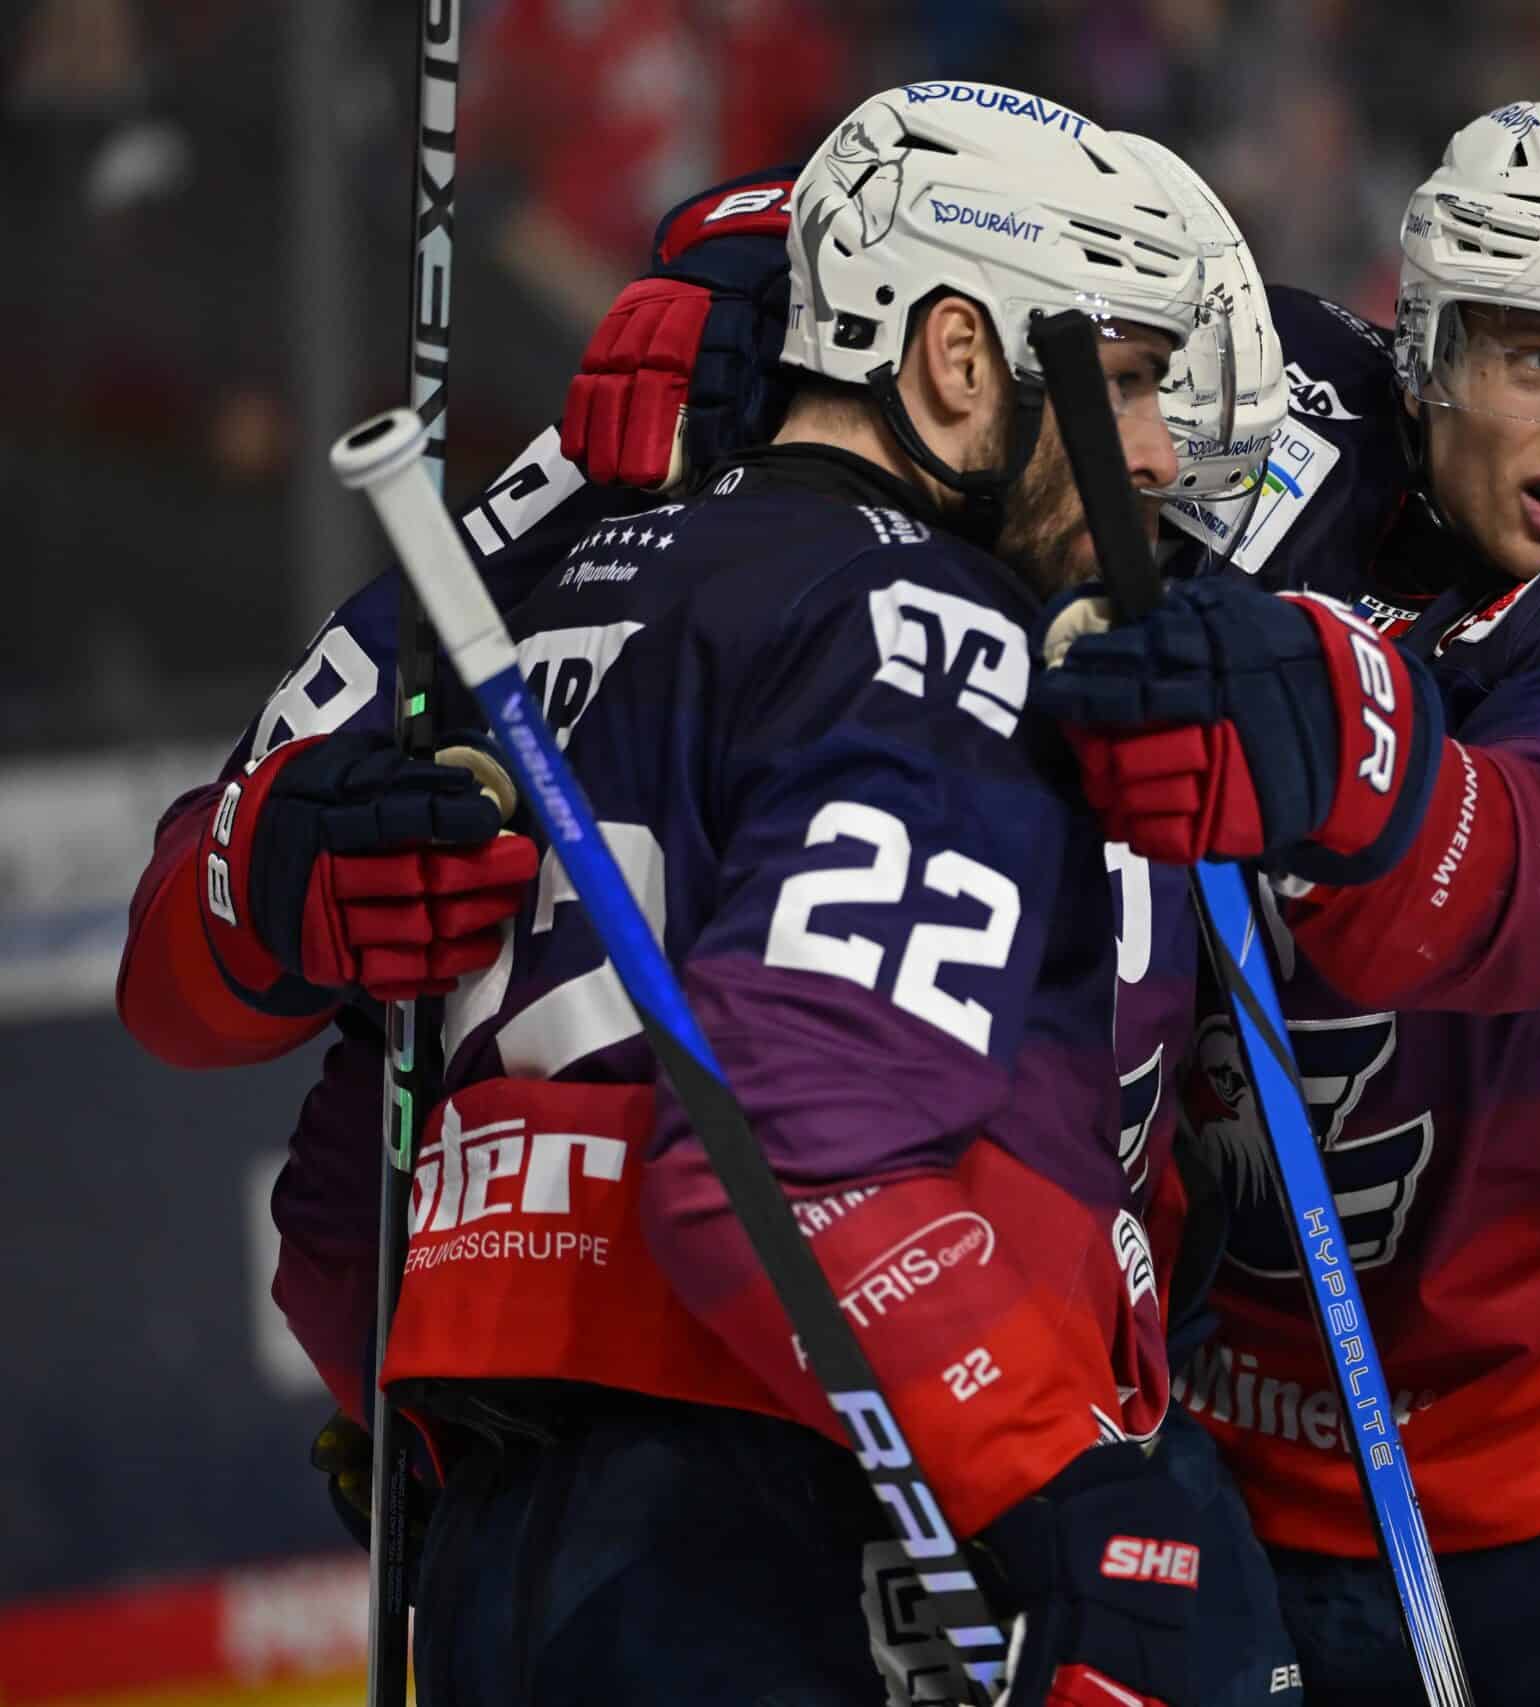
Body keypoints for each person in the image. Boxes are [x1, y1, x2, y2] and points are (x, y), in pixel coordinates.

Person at [122, 86, 1298, 1707]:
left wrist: (418, 1410)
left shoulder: (543, 613)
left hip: (508, 1532)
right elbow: (792, 1139)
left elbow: (341, 1197)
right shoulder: (928, 624)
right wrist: (1059, 1485)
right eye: (1125, 384)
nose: (1157, 450)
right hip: (794, 1505)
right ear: (958, 360)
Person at [1038, 101, 1540, 1703]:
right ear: (1431, 346)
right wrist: (754, 287)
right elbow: (1002, 243)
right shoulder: (1280, 393)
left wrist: (1339, 735)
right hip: (1229, 1432)